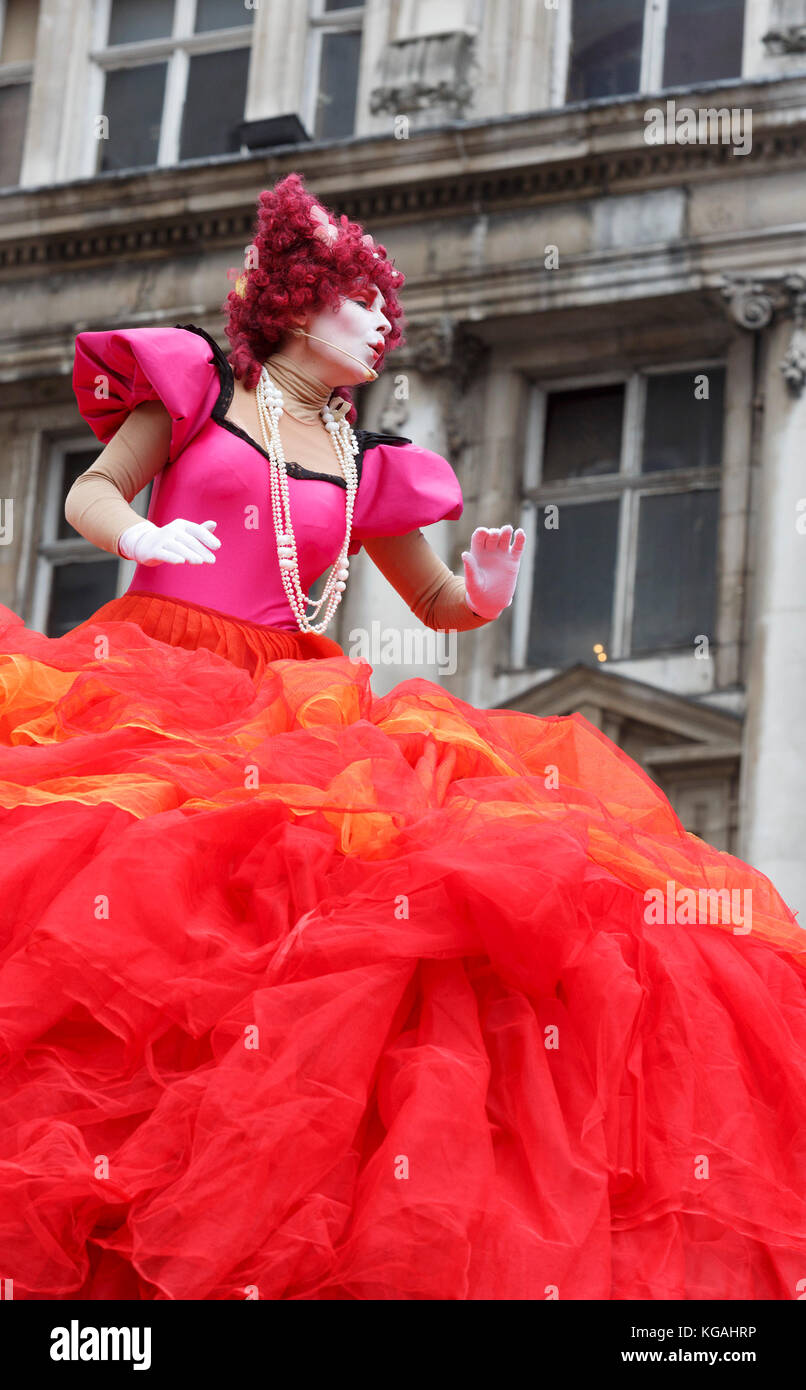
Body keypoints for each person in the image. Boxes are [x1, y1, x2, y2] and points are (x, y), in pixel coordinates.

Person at [0, 172, 804, 1302]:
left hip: (294, 696)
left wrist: (479, 591)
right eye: (360, 297)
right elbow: (90, 495)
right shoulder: (190, 391)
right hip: (155, 668)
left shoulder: (372, 463)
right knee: (134, 888)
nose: (382, 319)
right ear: (290, 301)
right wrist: (144, 530)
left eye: (388, 304)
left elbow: (431, 603)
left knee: (376, 904)